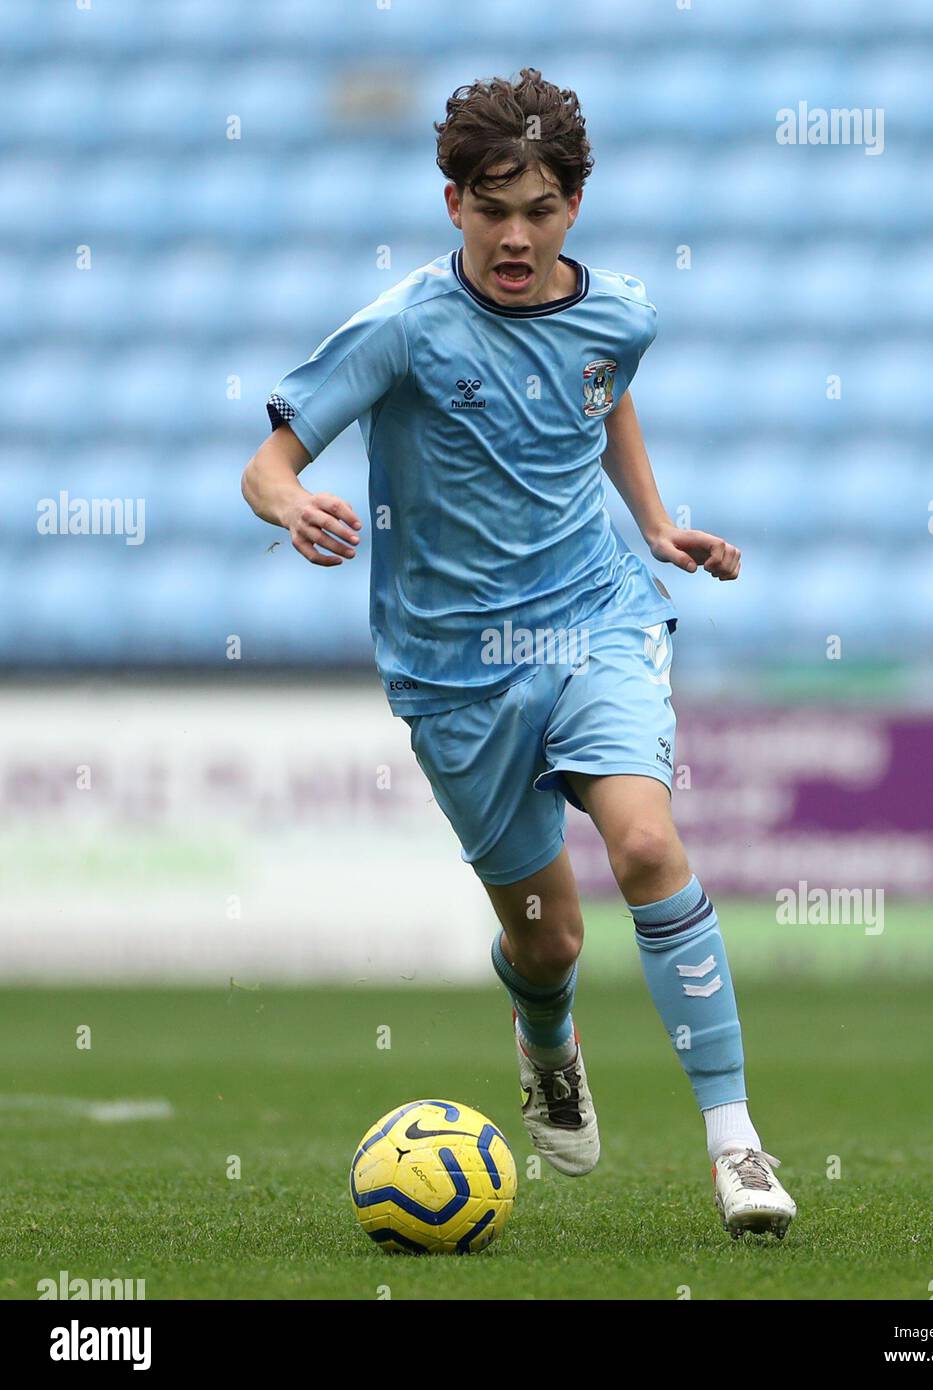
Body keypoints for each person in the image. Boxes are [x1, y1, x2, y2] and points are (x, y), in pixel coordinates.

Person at [241, 67, 796, 1240]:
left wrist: (652, 522)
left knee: (646, 844)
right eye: (492, 208)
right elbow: (270, 460)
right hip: (455, 669)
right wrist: (290, 507)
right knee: (547, 938)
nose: (515, 234)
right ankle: (546, 1039)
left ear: (573, 208)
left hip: (596, 615)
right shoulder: (402, 328)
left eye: (539, 209)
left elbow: (607, 393)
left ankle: (736, 1144)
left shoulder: (621, 311)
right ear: (452, 204)